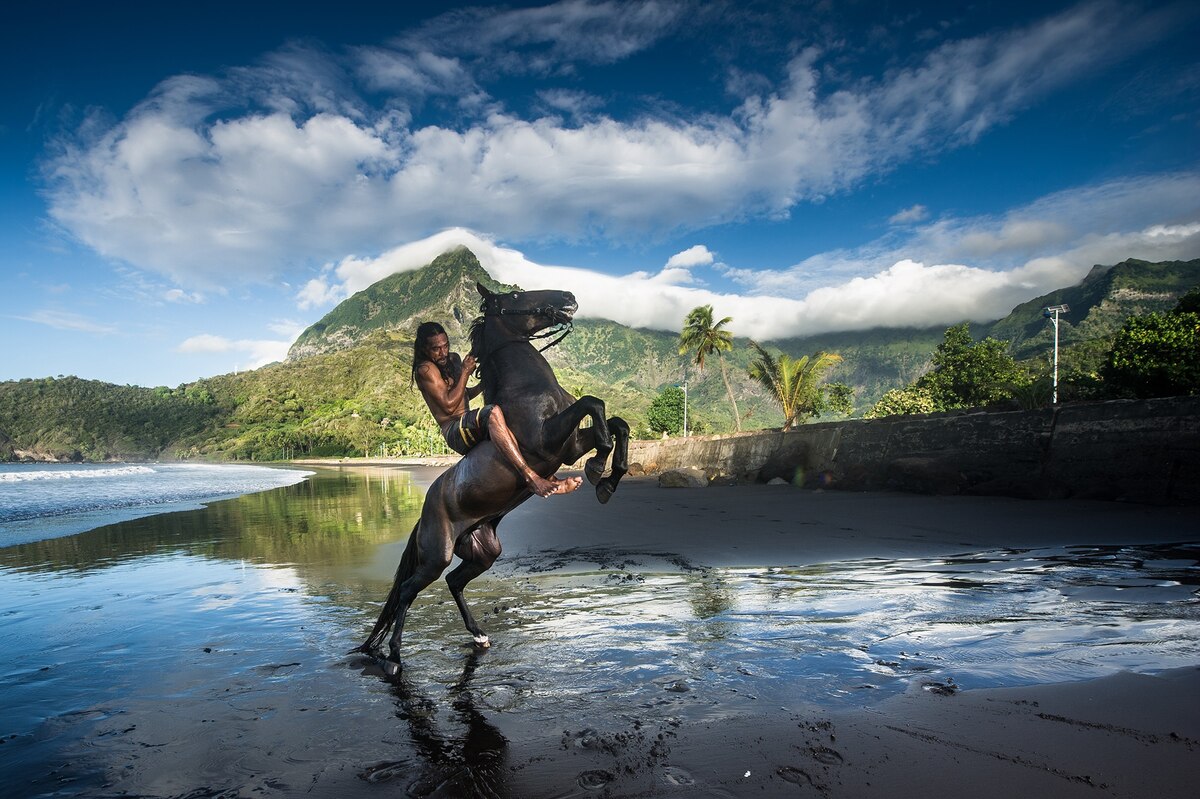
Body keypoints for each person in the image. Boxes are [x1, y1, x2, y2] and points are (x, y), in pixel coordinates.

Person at [412, 321, 582, 498]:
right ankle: (531, 478)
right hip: (455, 431)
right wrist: (465, 372)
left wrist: (484, 382)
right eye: (436, 349)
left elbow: (463, 395)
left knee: (512, 416)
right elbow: (449, 405)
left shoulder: (452, 359)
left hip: (468, 422)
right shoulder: (426, 370)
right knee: (492, 412)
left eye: (445, 346)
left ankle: (550, 477)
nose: (443, 352)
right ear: (424, 348)